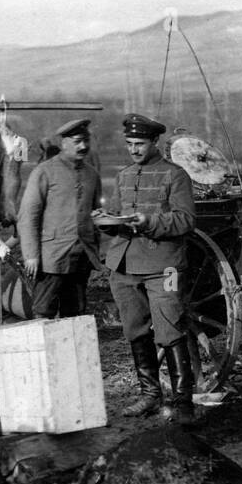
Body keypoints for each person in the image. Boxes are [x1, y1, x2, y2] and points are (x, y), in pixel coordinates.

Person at [100, 114, 196, 422]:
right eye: (129, 144)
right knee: (135, 331)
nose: (134, 150)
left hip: (164, 266)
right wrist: (104, 219)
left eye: (140, 144)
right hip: (125, 266)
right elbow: (115, 214)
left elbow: (185, 220)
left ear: (154, 142)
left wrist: (150, 222)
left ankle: (183, 405)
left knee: (169, 329)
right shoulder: (124, 176)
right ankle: (150, 396)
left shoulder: (175, 175)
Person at [17, 118, 101, 319]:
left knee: (76, 314)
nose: (83, 146)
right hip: (51, 258)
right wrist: (31, 255)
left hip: (82, 256)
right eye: (78, 141)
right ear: (64, 143)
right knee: (43, 312)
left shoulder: (92, 174)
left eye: (86, 141)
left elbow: (97, 212)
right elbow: (28, 216)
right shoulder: (44, 172)